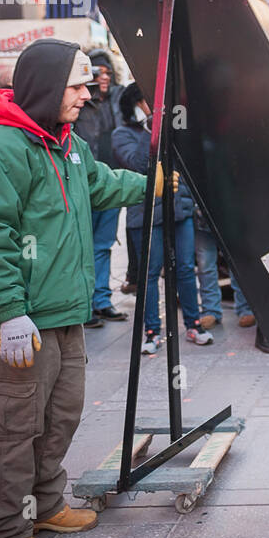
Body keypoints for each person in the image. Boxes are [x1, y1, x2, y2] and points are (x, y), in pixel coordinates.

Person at [0, 40, 155, 538]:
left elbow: (102, 184)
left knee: (59, 417)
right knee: (15, 429)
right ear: (46, 87)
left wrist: (157, 183)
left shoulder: (66, 143)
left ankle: (45, 505)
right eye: (77, 85)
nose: (88, 95)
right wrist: (12, 312)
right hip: (20, 322)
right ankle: (9, 532)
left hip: (64, 313)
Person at [111, 82, 210, 352]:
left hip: (178, 210)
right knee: (150, 273)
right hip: (144, 214)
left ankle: (194, 324)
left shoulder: (173, 129)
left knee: (186, 270)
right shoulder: (122, 134)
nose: (149, 108)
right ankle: (152, 331)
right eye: (144, 102)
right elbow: (139, 164)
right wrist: (150, 129)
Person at [73, 49, 127, 328]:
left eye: (106, 72)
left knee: (104, 244)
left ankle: (102, 301)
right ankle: (86, 304)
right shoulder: (80, 102)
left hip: (112, 181)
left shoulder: (118, 98)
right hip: (85, 181)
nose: (103, 77)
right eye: (97, 72)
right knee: (84, 245)